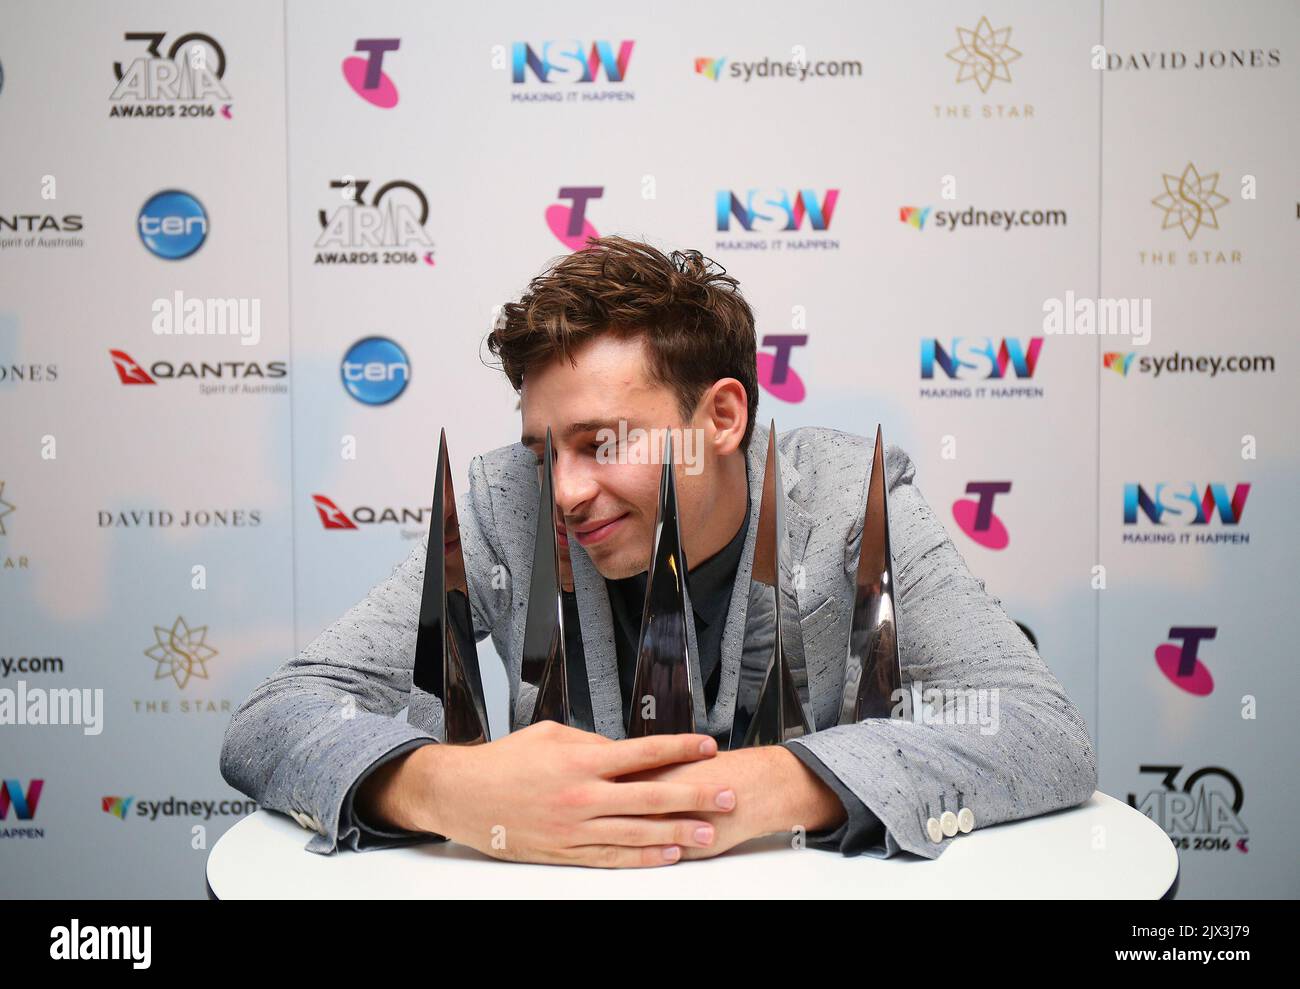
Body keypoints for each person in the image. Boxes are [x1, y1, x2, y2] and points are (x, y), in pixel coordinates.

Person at [220, 236, 1097, 868]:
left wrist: (761, 787)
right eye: (544, 450)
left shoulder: (846, 500)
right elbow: (277, 715)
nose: (562, 491)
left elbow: (1038, 731)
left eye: (603, 443)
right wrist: (451, 789)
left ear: (721, 418)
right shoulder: (498, 502)